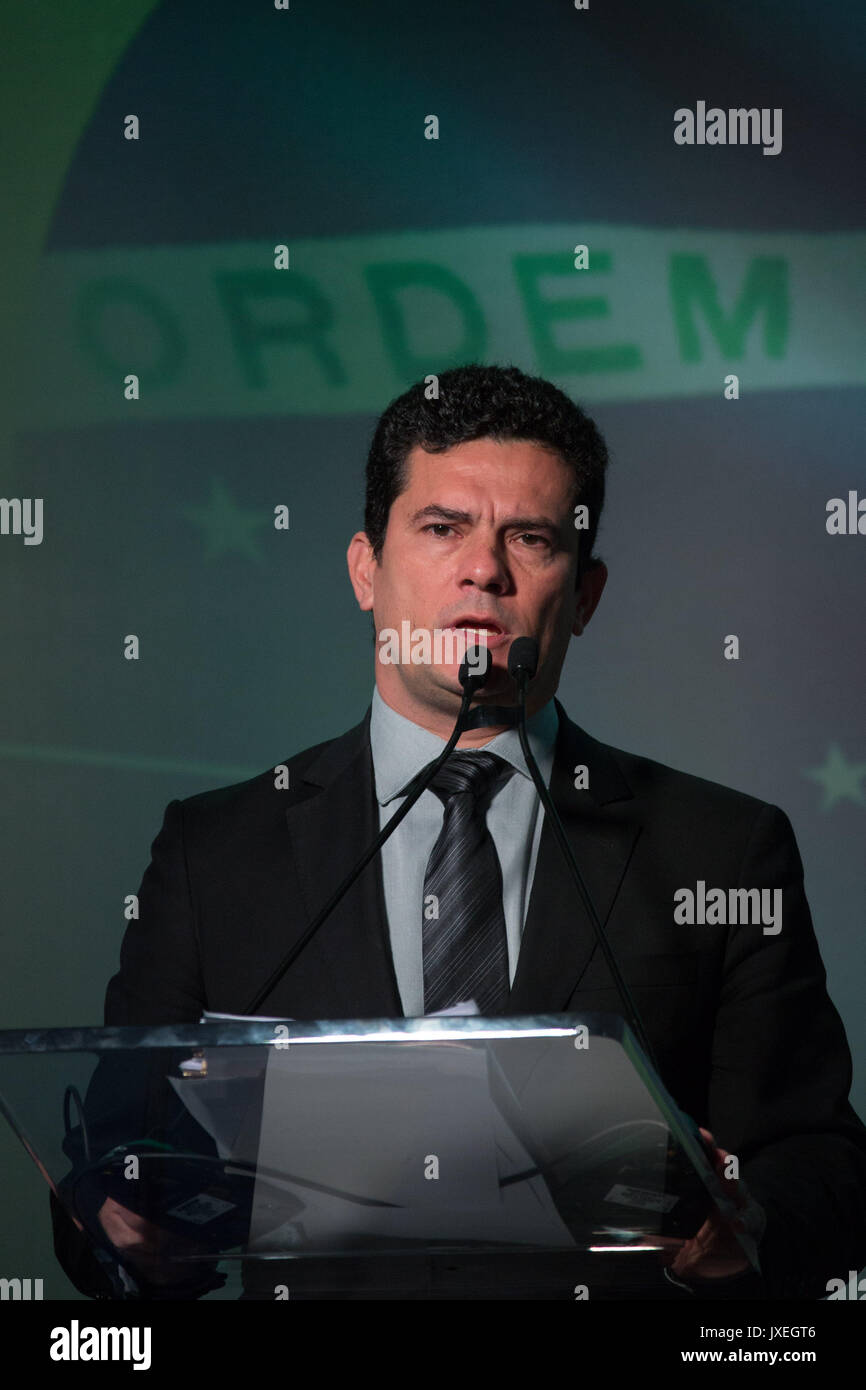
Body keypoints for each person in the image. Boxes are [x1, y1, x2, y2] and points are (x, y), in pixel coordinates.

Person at [55, 363, 866, 1300]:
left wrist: (747, 1216)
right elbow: (109, 1172)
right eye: (443, 528)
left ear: (587, 594)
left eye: (531, 538)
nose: (485, 567)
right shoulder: (214, 852)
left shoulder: (722, 849)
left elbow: (826, 1172)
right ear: (367, 569)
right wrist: (121, 1228)